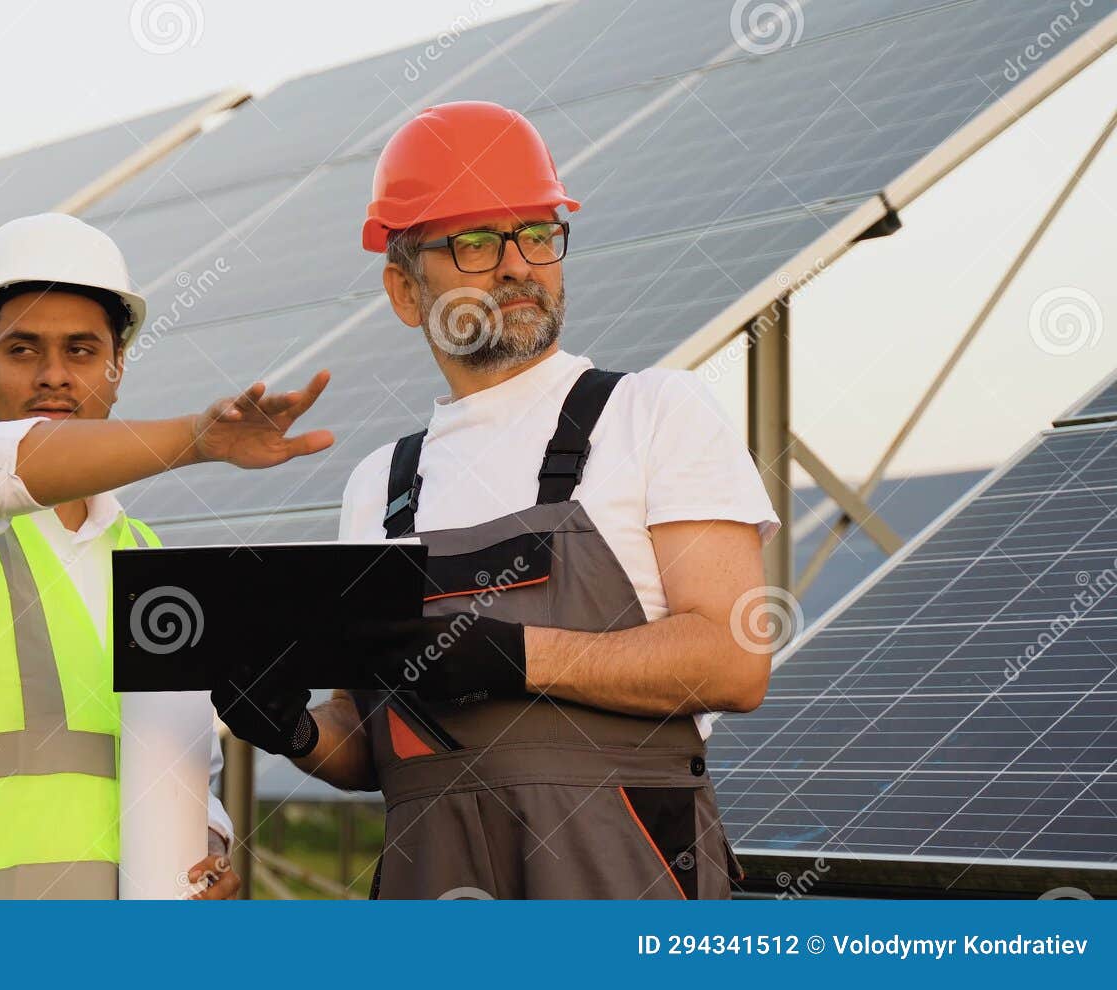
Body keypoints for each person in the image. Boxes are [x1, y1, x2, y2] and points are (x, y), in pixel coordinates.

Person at [213, 102, 779, 899]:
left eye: (537, 233)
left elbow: (733, 659)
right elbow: (372, 745)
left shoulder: (653, 413)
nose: (517, 265)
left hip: (624, 881)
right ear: (405, 292)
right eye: (474, 243)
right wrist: (295, 731)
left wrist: (512, 657)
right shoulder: (378, 486)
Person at [0, 212, 332, 899]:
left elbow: (182, 765)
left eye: (83, 351)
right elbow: (5, 466)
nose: (54, 376)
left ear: (118, 367)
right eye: (22, 350)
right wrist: (194, 438)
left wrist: (205, 855)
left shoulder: (150, 563)